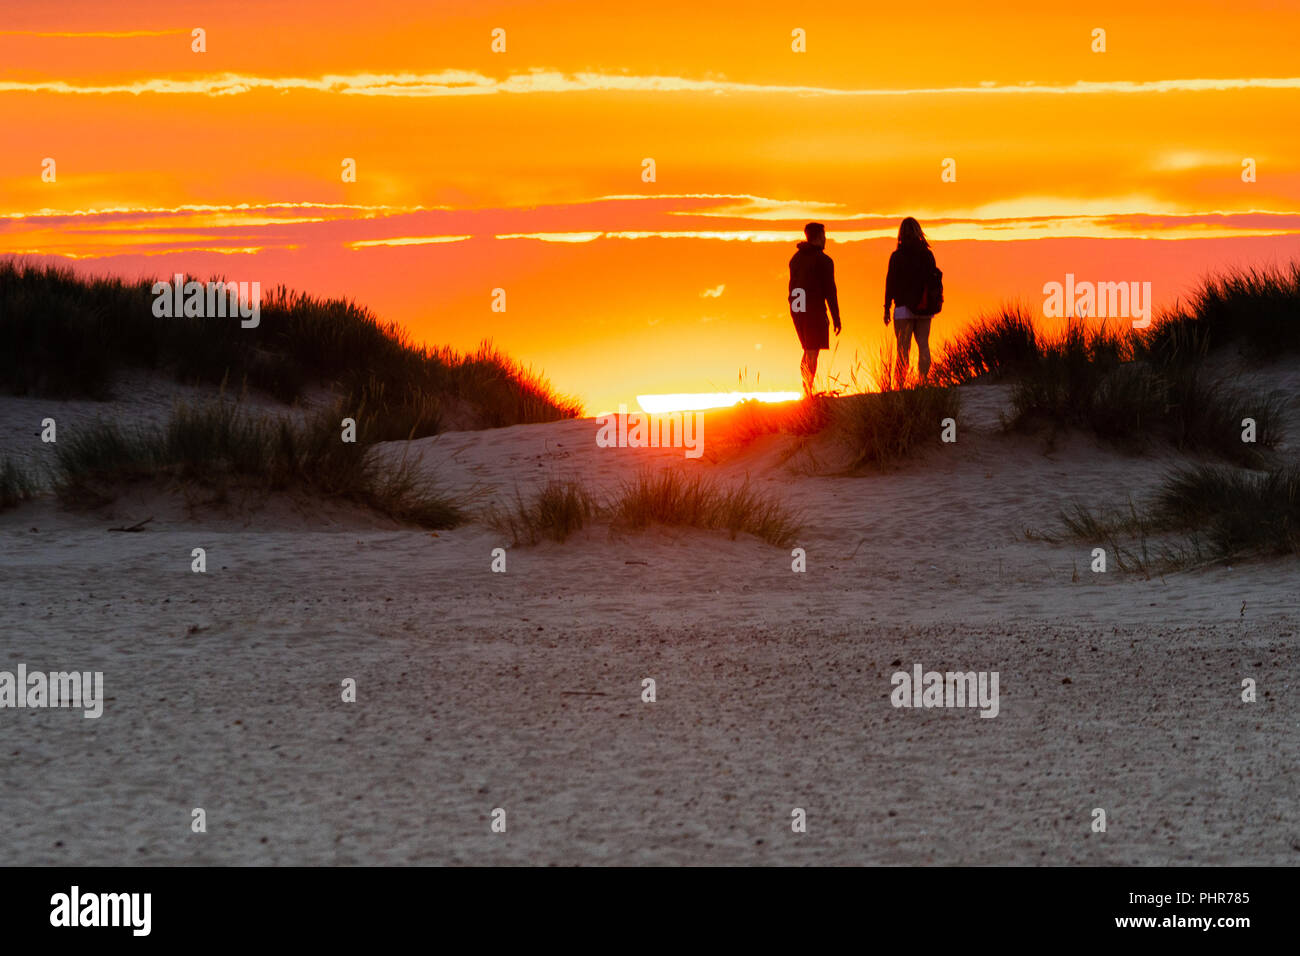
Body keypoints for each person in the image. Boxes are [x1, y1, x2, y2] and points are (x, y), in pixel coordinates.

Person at [788, 222, 841, 395]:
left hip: (797, 306)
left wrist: (796, 307)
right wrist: (836, 317)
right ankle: (808, 390)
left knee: (808, 349)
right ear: (818, 237)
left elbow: (793, 286)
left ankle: (807, 388)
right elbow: (830, 290)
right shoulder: (824, 260)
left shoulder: (795, 258)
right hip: (813, 308)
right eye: (824, 235)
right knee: (812, 350)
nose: (826, 239)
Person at [883, 217, 938, 383]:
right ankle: (923, 381)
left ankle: (900, 384)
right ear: (919, 232)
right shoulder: (927, 255)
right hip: (924, 307)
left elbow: (890, 283)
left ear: (901, 234)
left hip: (903, 308)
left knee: (902, 350)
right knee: (923, 345)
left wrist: (886, 308)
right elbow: (933, 280)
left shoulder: (897, 256)